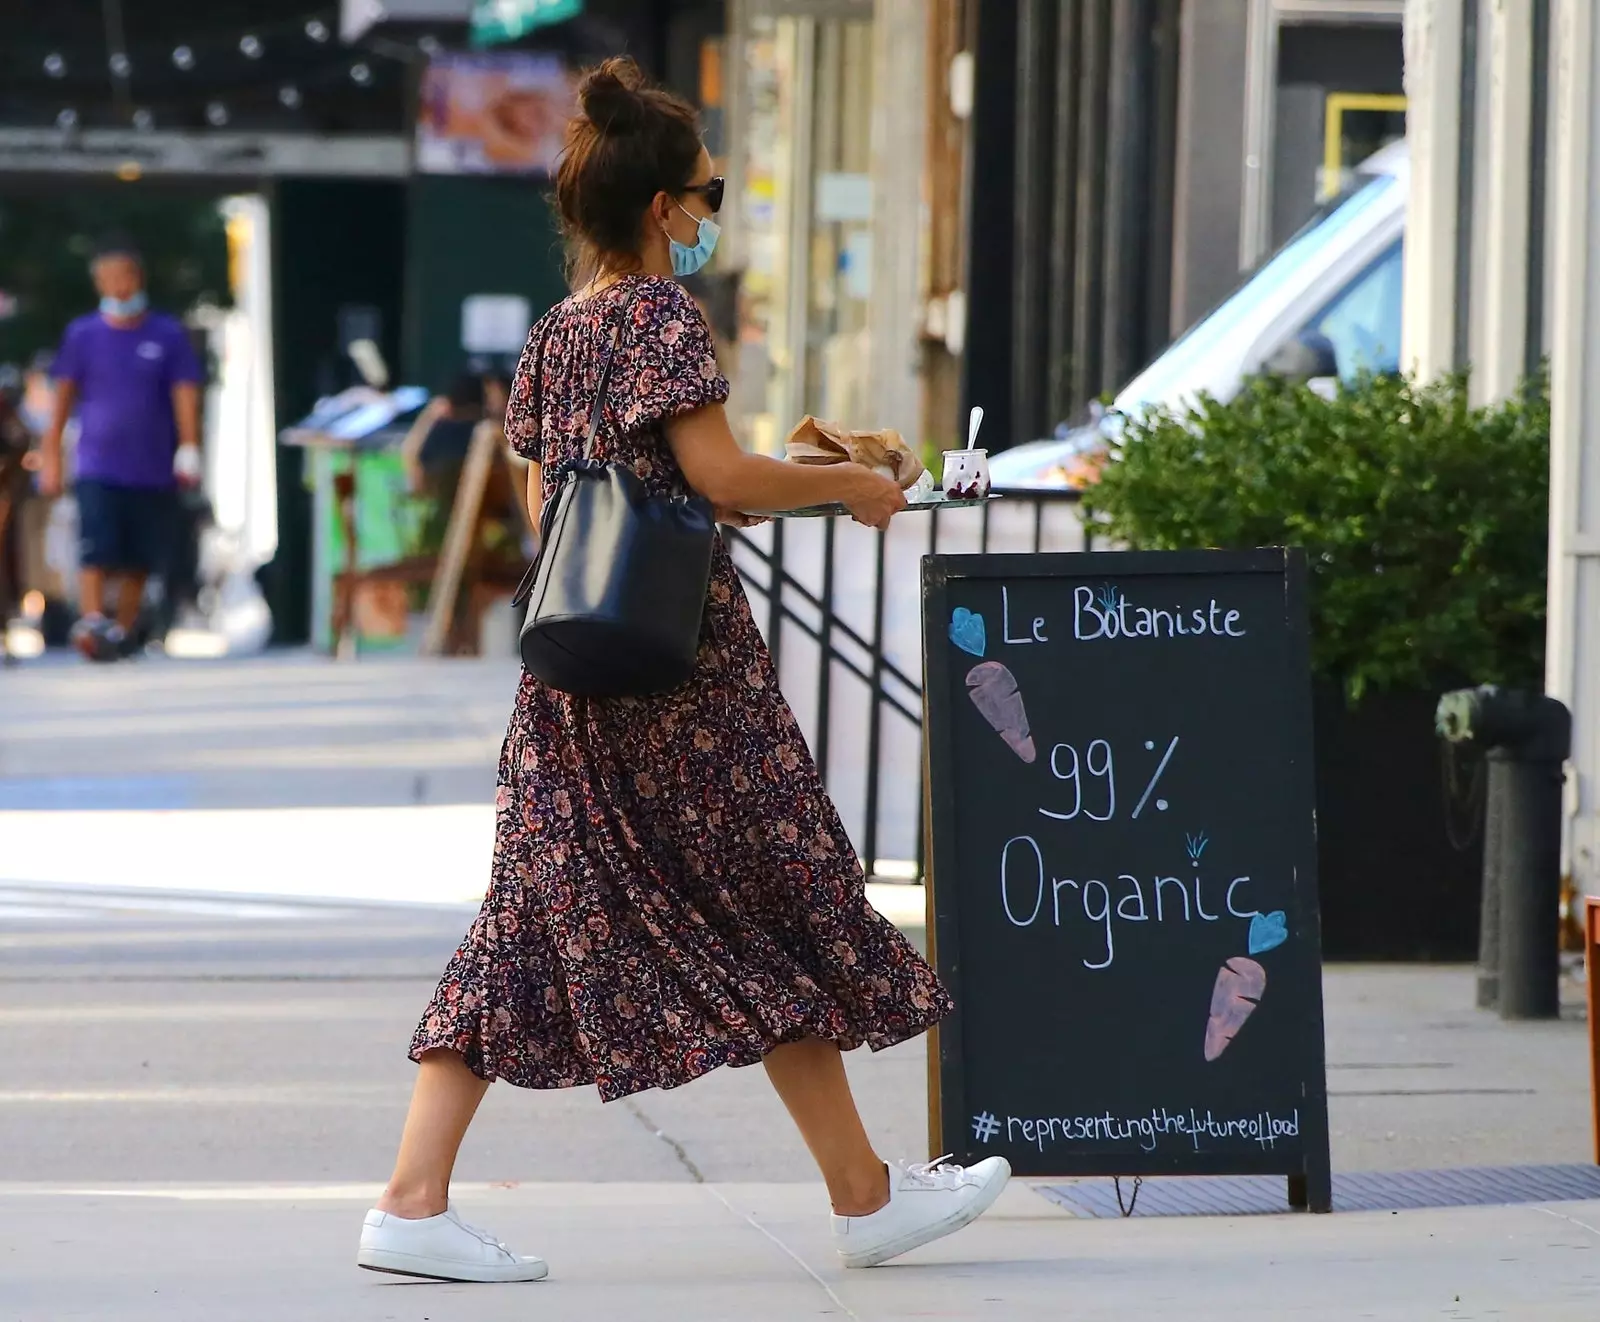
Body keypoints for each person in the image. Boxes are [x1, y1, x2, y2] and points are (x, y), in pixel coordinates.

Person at [357, 56, 1008, 1286]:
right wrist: (851, 484)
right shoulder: (660, 317)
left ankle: (414, 1198)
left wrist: (790, 467)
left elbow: (586, 497)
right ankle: (864, 1199)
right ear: (662, 206)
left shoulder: (560, 332)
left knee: (528, 930)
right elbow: (709, 483)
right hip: (685, 687)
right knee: (768, 897)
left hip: (574, 682)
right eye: (707, 191)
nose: (713, 211)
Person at [38, 237, 203, 661]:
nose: (119, 286)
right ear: (98, 284)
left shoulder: (167, 335)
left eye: (124, 276)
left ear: (138, 278)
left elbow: (185, 392)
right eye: (108, 279)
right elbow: (62, 400)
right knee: (97, 545)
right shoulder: (82, 335)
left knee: (138, 555)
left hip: (152, 465)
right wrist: (51, 456)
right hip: (98, 461)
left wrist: (189, 447)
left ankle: (122, 630)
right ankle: (92, 624)